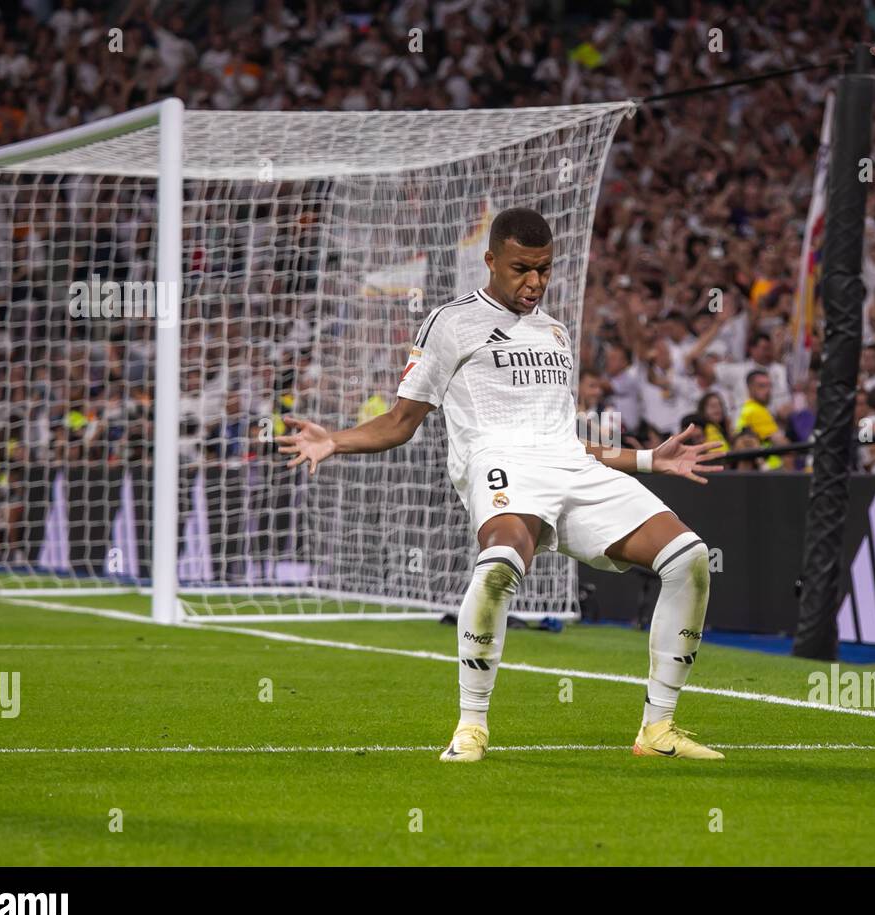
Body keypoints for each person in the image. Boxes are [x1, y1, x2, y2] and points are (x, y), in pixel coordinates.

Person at [278, 208, 725, 762]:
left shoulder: (555, 332)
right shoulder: (450, 322)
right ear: (490, 261)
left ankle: (658, 730)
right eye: (520, 269)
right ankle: (472, 726)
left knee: (689, 557)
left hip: (570, 468)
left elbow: (561, 439)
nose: (534, 282)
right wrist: (333, 441)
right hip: (499, 464)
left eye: (544, 270)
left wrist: (646, 459)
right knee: (500, 565)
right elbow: (400, 422)